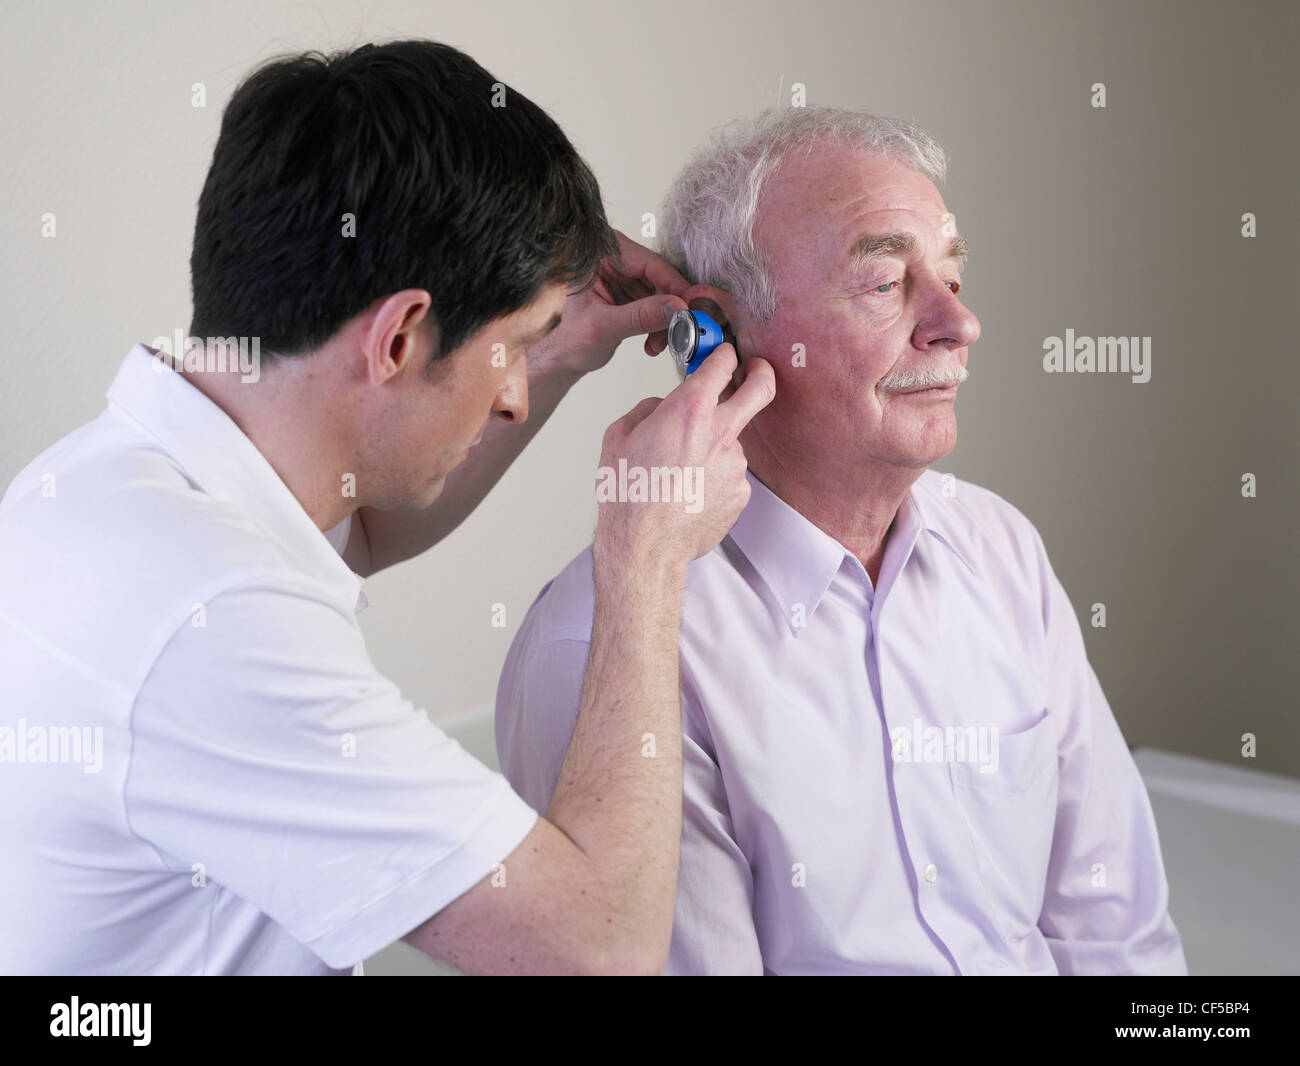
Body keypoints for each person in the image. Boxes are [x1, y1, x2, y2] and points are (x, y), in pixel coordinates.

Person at [0, 39, 774, 976]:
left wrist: (556, 348)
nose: (513, 398)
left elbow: (359, 528)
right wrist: (645, 552)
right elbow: (597, 949)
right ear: (402, 335)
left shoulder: (122, 480)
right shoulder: (213, 619)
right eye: (514, 353)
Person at [496, 106, 1188, 975]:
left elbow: (1118, 938)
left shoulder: (1002, 549)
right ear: (713, 336)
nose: (957, 325)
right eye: (885, 284)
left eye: (953, 280)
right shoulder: (603, 648)